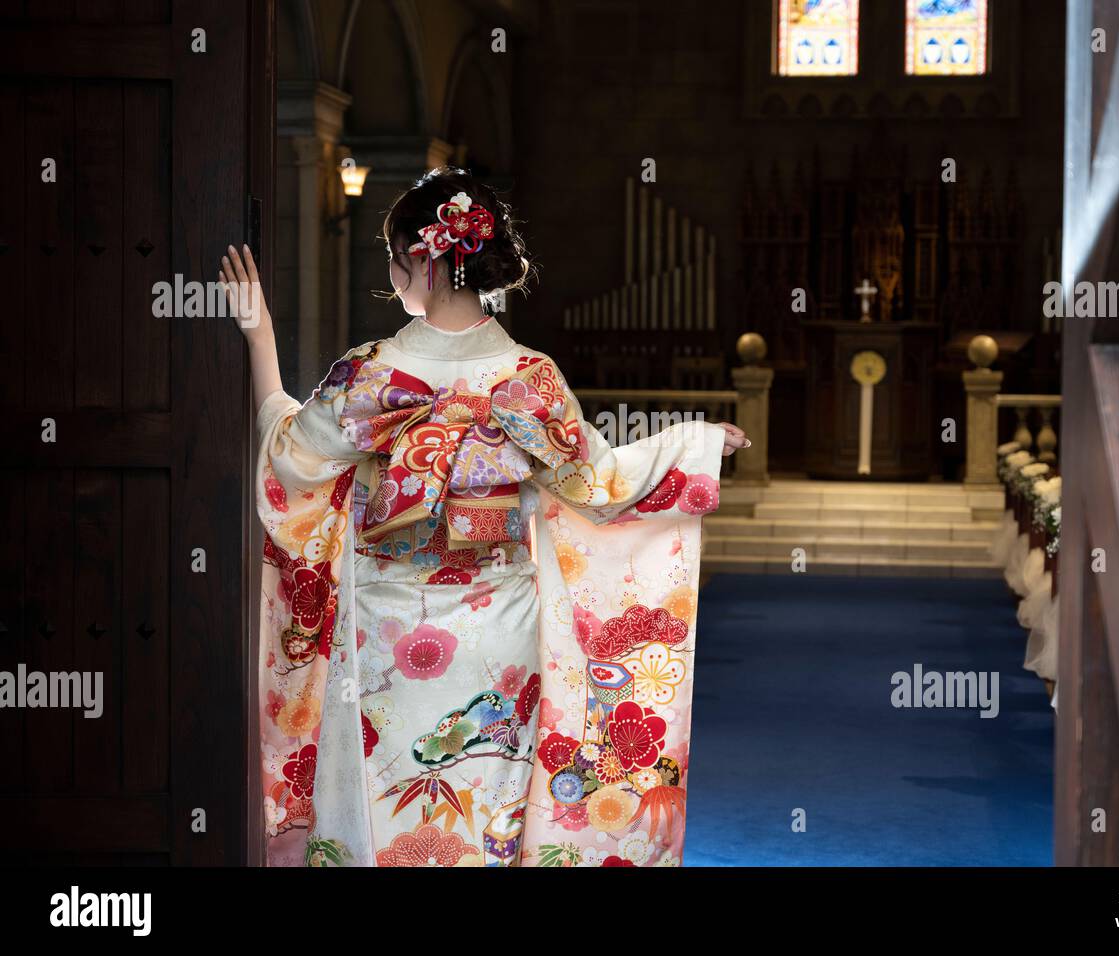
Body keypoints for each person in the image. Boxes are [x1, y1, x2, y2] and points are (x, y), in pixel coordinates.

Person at [221, 166, 747, 867]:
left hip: (386, 634)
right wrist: (695, 446)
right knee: (489, 818)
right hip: (503, 632)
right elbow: (603, 483)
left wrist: (260, 339)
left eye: (392, 255)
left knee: (385, 805)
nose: (390, 269)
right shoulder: (532, 379)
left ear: (422, 259)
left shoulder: (370, 375)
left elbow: (289, 465)